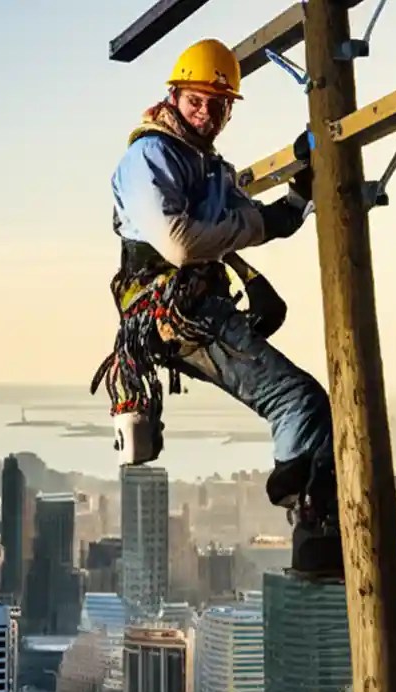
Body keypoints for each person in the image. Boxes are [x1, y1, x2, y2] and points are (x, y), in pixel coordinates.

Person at [95, 38, 343, 578]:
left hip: (197, 309)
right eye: (197, 101)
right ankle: (313, 526)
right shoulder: (151, 155)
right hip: (175, 310)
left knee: (304, 402)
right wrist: (249, 227)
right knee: (300, 401)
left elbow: (257, 220)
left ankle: (308, 514)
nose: (207, 113)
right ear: (175, 96)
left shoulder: (207, 166)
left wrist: (300, 191)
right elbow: (181, 243)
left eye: (218, 105)